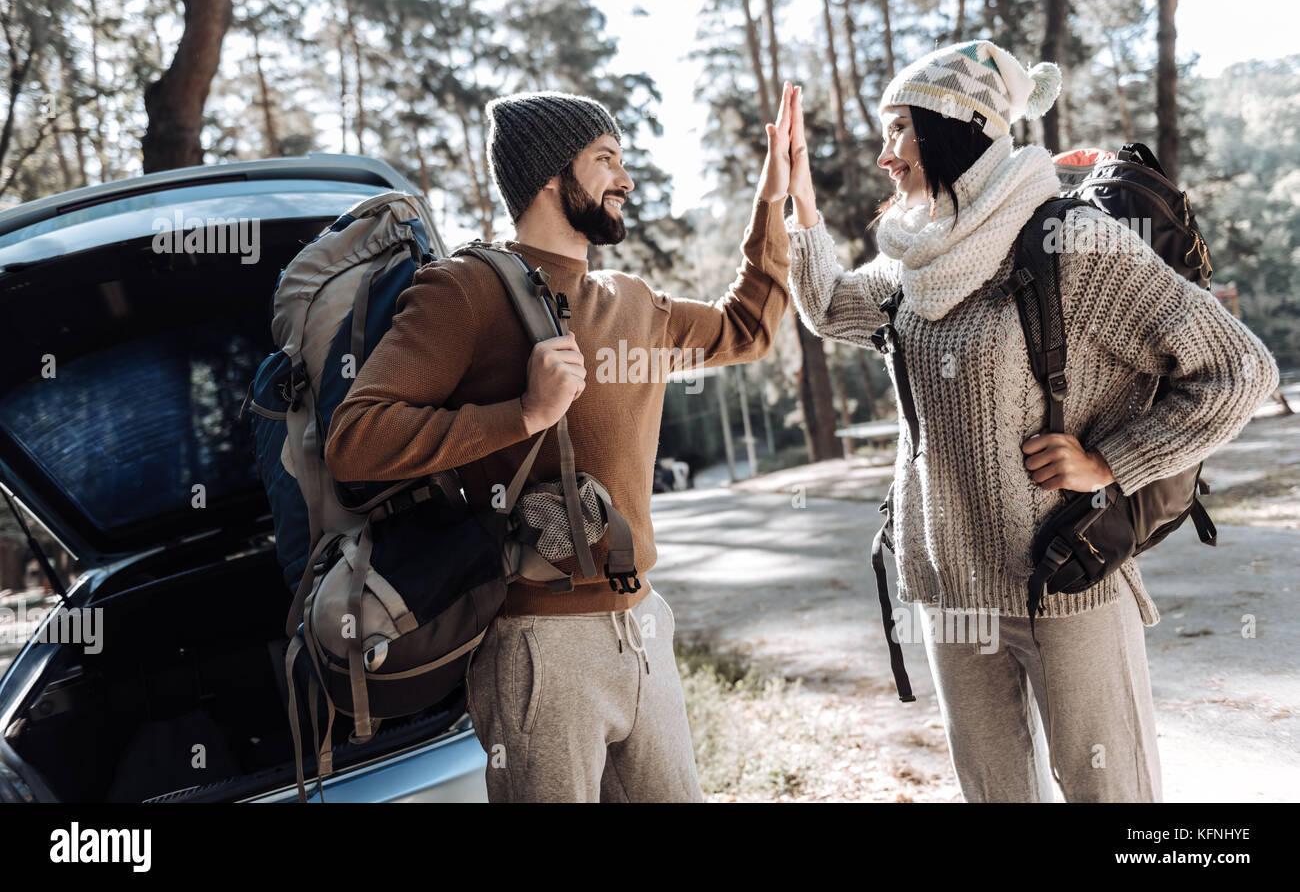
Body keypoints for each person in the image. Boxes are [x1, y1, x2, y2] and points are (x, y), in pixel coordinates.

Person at [783, 39, 1280, 802]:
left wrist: (1111, 460)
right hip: (951, 592)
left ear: (955, 125)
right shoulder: (918, 258)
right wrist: (801, 207)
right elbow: (827, 306)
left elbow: (1240, 368)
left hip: (1062, 578)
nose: (885, 157)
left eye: (898, 130)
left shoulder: (1070, 242)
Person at [324, 85, 799, 801]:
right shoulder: (464, 290)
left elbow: (748, 328)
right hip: (537, 650)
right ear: (551, 176)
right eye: (606, 159)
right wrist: (520, 413)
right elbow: (355, 440)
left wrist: (773, 203)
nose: (627, 179)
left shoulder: (633, 300)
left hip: (642, 631)